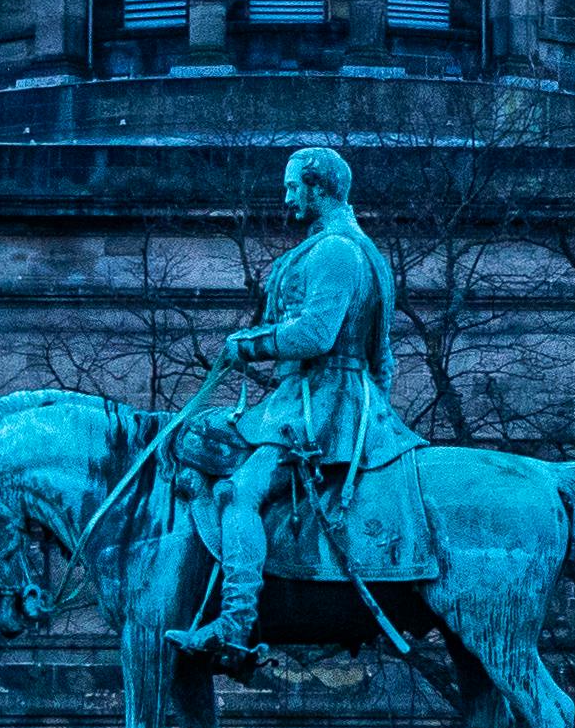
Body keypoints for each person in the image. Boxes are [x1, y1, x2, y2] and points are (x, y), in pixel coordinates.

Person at [170, 145, 433, 658]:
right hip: (331, 399)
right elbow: (384, 359)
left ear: (319, 188)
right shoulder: (364, 252)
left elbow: (315, 333)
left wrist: (248, 344)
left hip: (319, 403)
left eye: (294, 187)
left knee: (239, 493)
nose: (287, 197)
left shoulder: (336, 250)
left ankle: (234, 625)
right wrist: (373, 408)